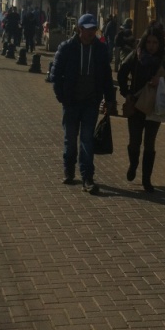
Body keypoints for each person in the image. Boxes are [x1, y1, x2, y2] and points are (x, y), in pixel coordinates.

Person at [50, 12, 117, 194]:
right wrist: (61, 96)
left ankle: (87, 177)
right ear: (79, 29)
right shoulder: (67, 48)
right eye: (87, 29)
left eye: (93, 29)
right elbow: (55, 74)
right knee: (70, 138)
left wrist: (110, 99)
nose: (90, 33)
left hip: (90, 102)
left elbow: (106, 77)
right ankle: (69, 170)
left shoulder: (100, 49)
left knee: (87, 140)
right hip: (71, 102)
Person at [117, 24, 165, 193]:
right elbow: (122, 73)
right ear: (144, 42)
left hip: (155, 106)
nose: (151, 46)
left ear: (160, 44)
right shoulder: (136, 56)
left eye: (155, 43)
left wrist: (161, 79)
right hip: (136, 104)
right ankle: (133, 164)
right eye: (149, 42)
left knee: (150, 143)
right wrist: (126, 93)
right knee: (134, 141)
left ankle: (147, 179)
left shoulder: (164, 60)